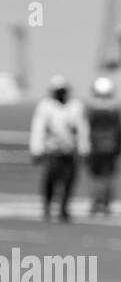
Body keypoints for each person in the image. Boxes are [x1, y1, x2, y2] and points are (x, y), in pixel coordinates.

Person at [29, 75, 90, 221]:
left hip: (69, 151)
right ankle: (48, 206)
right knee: (51, 180)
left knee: (69, 180)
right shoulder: (46, 106)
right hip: (52, 151)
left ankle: (64, 208)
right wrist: (36, 149)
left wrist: (84, 148)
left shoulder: (75, 105)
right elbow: (38, 128)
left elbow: (82, 129)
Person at [85, 76, 121, 215]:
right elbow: (119, 129)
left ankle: (96, 202)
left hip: (95, 146)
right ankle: (106, 203)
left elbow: (86, 128)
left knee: (95, 176)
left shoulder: (91, 106)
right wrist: (119, 147)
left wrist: (85, 145)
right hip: (110, 146)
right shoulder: (115, 107)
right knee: (108, 176)